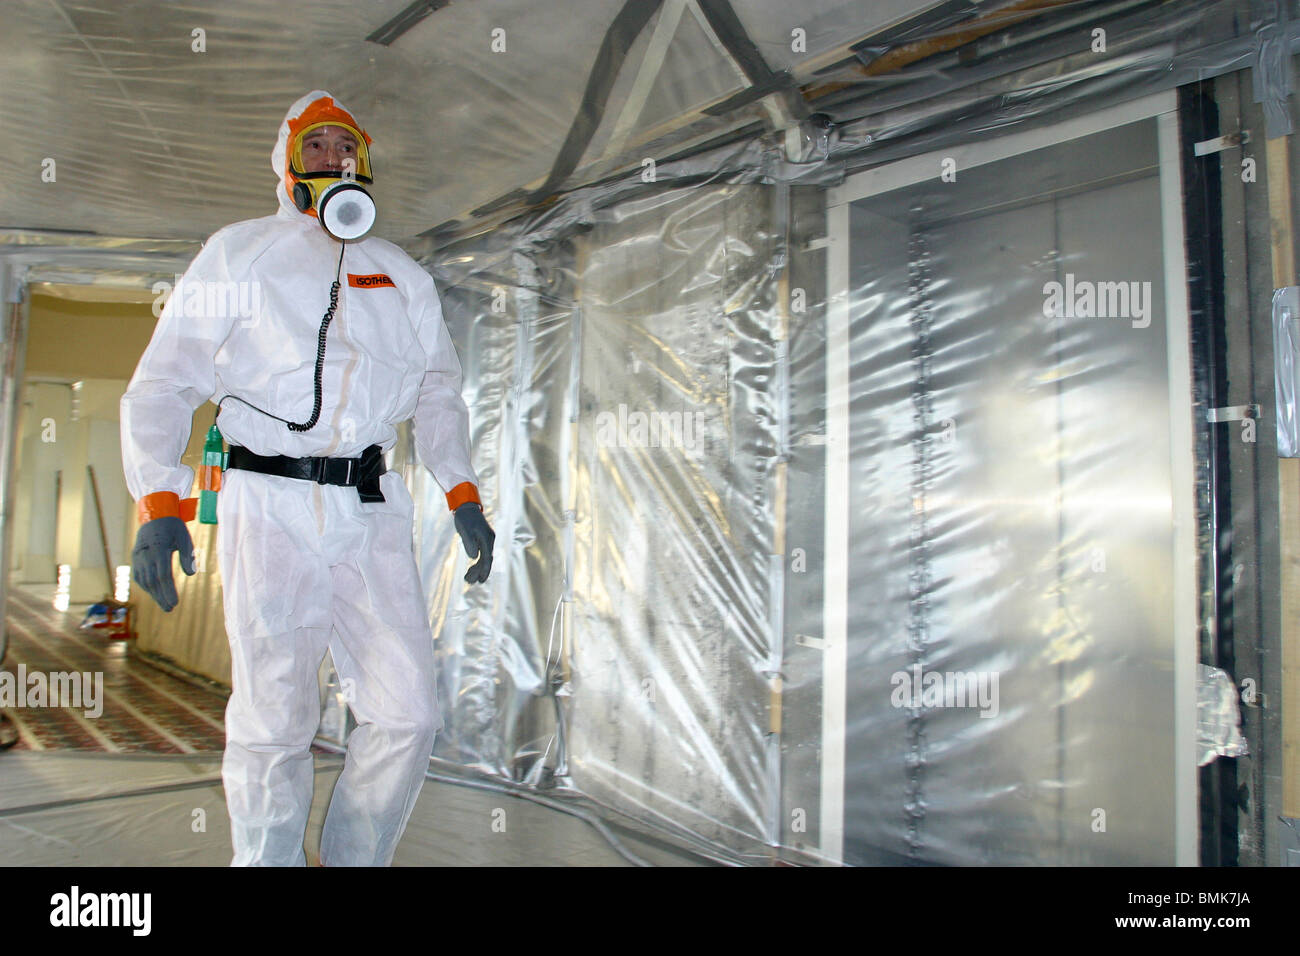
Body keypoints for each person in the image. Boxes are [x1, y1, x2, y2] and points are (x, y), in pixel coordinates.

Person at [121, 90, 494, 867]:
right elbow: (164, 382)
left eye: (346, 148)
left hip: (369, 506)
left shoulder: (400, 274)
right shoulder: (239, 253)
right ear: (288, 160)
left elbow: (436, 392)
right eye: (316, 147)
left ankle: (353, 858)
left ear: (364, 162)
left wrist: (462, 493)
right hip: (269, 503)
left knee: (408, 714)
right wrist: (159, 500)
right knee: (274, 717)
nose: (334, 159)